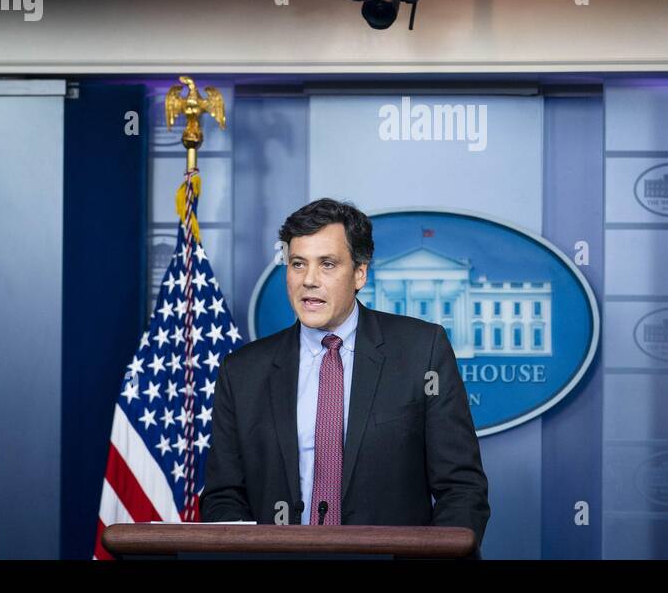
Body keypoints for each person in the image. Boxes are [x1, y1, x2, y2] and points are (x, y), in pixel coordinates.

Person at [199, 198, 490, 555]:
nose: (309, 280)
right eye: (297, 264)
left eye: (327, 265)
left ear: (359, 274)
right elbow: (223, 496)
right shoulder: (243, 370)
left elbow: (461, 488)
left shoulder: (421, 351)